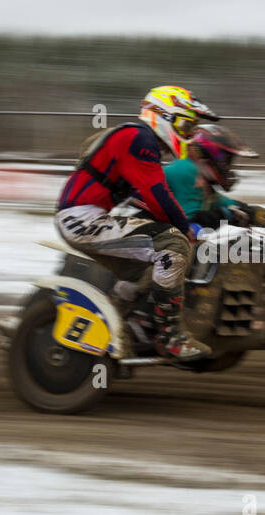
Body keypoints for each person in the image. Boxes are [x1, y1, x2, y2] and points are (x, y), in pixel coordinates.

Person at [54, 85, 218, 362]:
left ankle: (120, 319)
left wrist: (182, 220)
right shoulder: (139, 138)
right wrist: (185, 228)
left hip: (83, 217)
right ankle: (170, 336)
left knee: (155, 257)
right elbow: (156, 194)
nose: (189, 136)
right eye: (187, 126)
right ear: (165, 116)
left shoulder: (133, 139)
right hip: (82, 219)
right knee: (174, 245)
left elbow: (144, 198)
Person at [163, 124, 260, 228]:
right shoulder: (186, 170)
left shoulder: (202, 177)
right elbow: (189, 225)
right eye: (226, 161)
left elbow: (221, 202)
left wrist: (255, 213)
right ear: (208, 157)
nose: (228, 168)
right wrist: (228, 215)